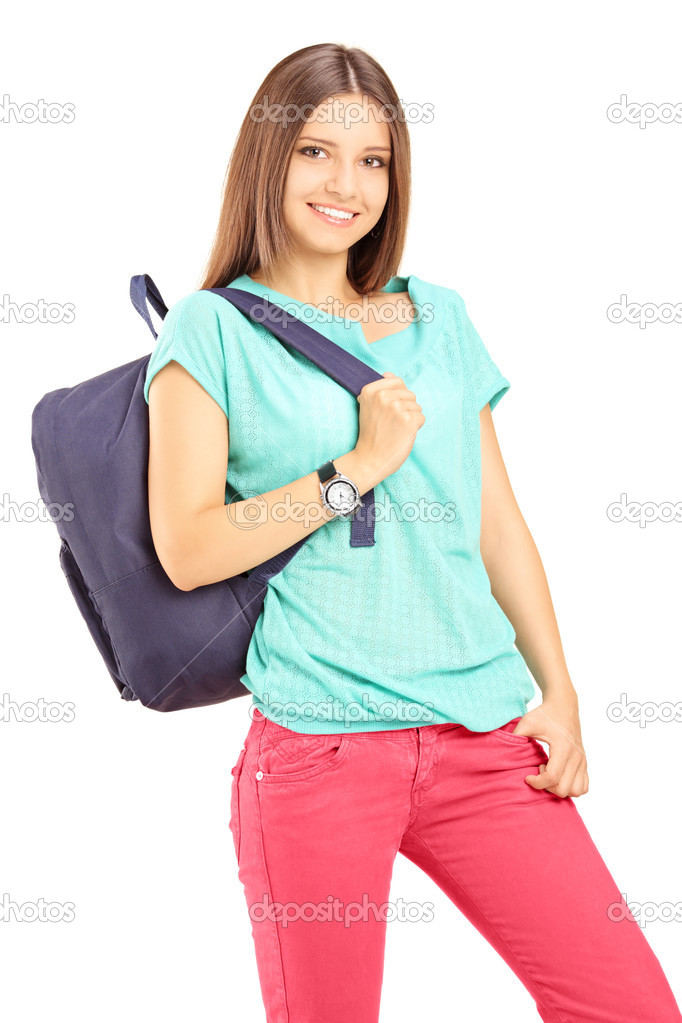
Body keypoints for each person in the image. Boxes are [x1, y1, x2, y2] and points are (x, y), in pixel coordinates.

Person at [143, 42, 681, 1023]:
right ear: (270, 162)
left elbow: (495, 519)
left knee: (630, 1008)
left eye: (373, 160)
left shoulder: (437, 317)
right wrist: (356, 470)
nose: (346, 184)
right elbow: (189, 545)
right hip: (319, 751)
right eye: (316, 152)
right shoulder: (210, 333)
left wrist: (558, 691)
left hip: (485, 734)